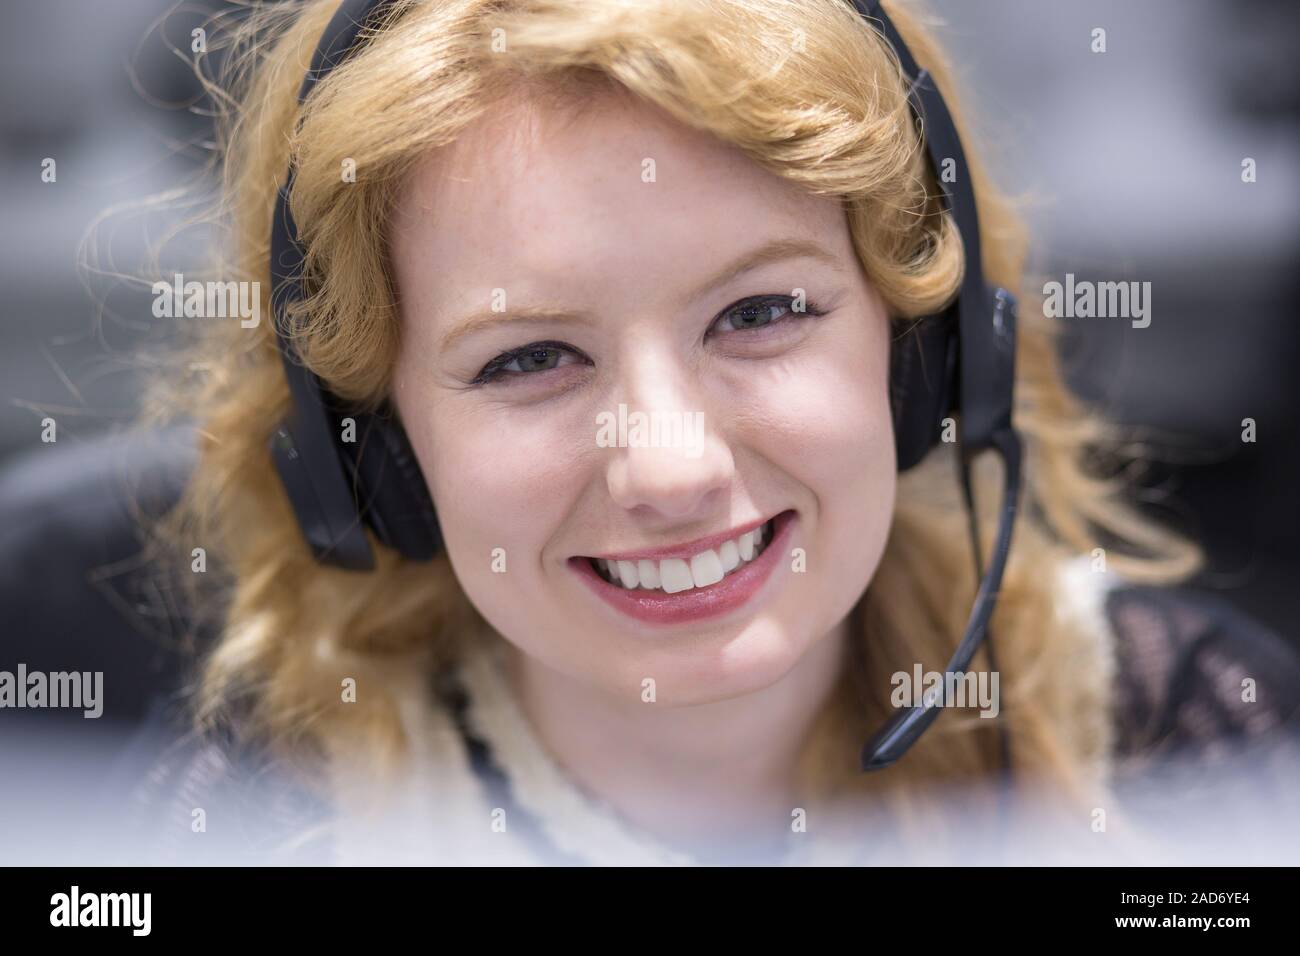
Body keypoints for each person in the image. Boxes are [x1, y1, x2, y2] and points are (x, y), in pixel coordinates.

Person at [122, 0, 1299, 865]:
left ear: (925, 354)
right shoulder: (271, 814)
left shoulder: (1177, 741)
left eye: (761, 313)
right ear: (371, 454)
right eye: (529, 357)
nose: (672, 469)